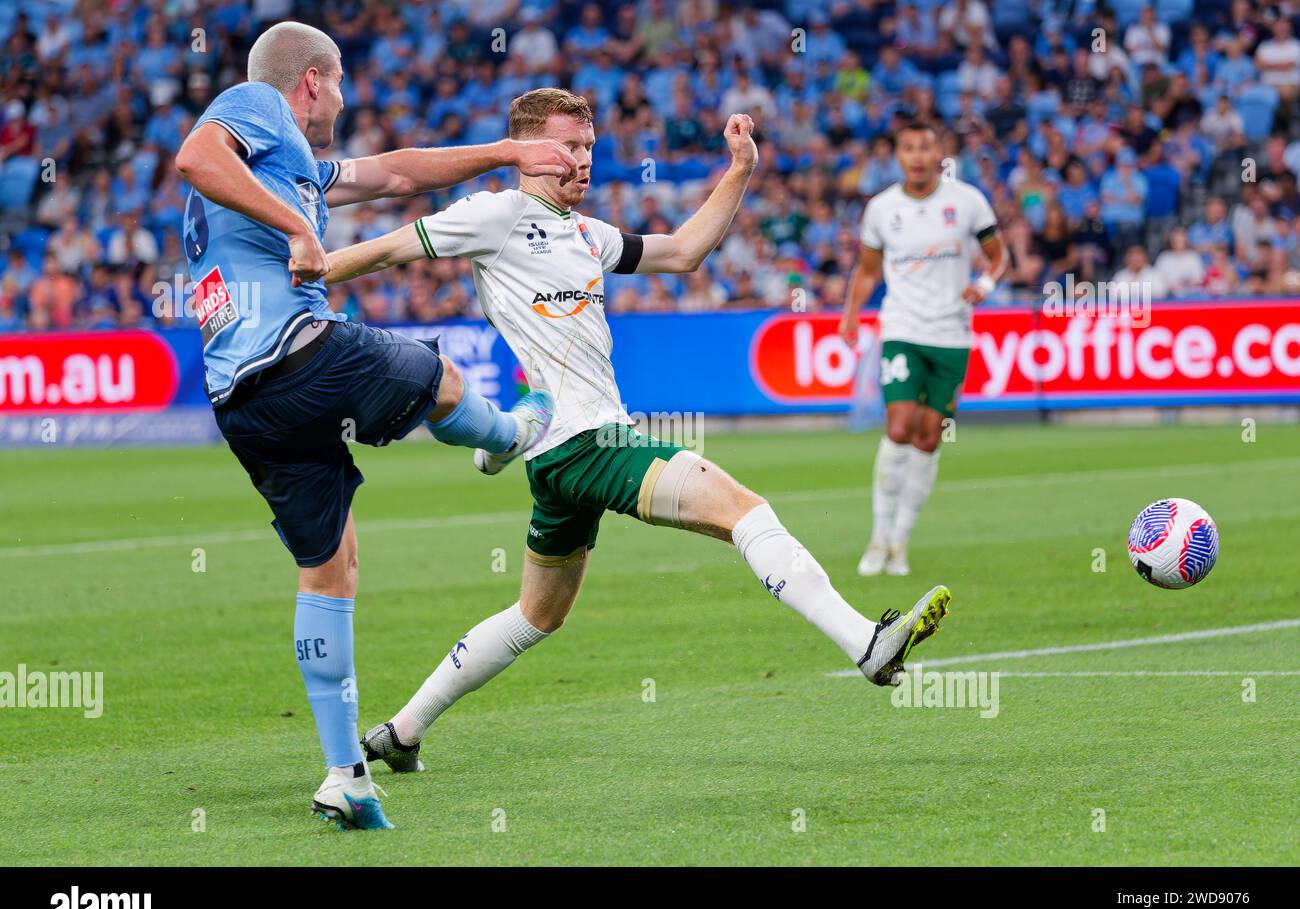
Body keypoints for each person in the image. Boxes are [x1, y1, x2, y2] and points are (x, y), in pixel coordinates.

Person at [322, 88, 952, 774]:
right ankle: (865, 641)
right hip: (589, 443)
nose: (583, 160)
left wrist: (738, 169)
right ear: (529, 148)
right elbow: (382, 251)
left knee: (538, 615)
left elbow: (682, 252)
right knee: (744, 509)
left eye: (589, 147)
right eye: (568, 146)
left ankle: (404, 730)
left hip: (559, 453)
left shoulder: (587, 234)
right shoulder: (495, 215)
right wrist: (305, 276)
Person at [173, 22, 580, 830]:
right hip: (296, 351)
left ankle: (344, 777)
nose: (349, 97)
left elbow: (395, 173)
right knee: (441, 377)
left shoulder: (293, 165)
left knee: (332, 569)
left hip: (243, 404)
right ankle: (512, 437)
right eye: (343, 81)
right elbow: (193, 157)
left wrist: (506, 152)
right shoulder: (254, 105)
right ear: (314, 81)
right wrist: (297, 229)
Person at [838, 120, 1007, 577]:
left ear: (939, 153)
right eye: (908, 148)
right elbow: (869, 270)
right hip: (903, 328)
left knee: (930, 436)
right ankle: (876, 537)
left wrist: (986, 282)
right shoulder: (881, 208)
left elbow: (999, 255)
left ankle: (899, 542)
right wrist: (852, 314)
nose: (916, 155)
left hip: (952, 335)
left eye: (924, 147)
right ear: (897, 155)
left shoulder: (967, 202)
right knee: (898, 427)